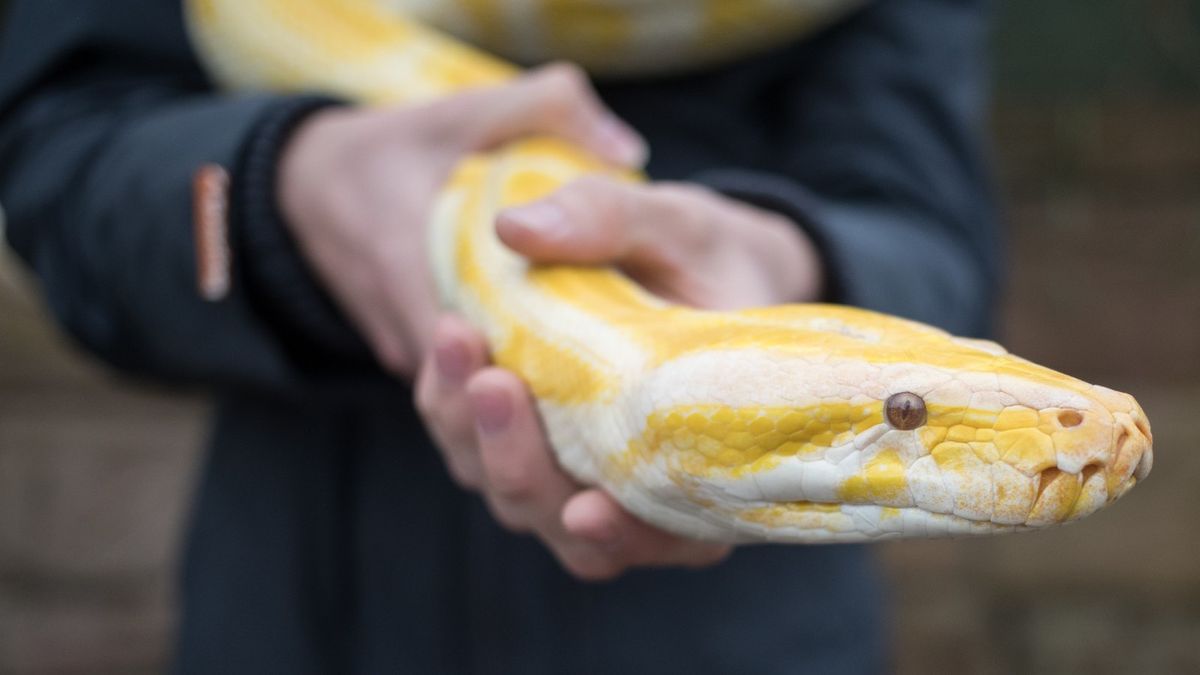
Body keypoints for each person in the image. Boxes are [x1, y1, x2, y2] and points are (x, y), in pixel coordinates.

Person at [0, 0, 1000, 672]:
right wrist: (272, 189)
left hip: (739, 632)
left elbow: (934, 236)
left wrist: (796, 266)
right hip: (294, 604)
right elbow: (57, 161)